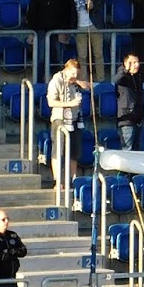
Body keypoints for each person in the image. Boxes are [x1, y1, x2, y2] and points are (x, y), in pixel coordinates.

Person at [45, 58, 87, 190]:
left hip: (75, 120)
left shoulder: (75, 81)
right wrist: (70, 104)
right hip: (60, 119)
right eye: (73, 73)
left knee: (74, 151)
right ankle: (57, 181)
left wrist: (77, 81)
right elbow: (51, 102)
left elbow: (88, 86)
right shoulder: (56, 80)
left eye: (77, 74)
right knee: (58, 151)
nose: (75, 76)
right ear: (66, 70)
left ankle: (72, 179)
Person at [114, 53, 144, 151]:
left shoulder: (138, 77)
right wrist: (126, 69)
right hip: (126, 119)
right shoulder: (123, 77)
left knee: (138, 150)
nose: (136, 65)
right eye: (133, 62)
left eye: (137, 62)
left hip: (138, 119)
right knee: (127, 149)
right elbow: (117, 79)